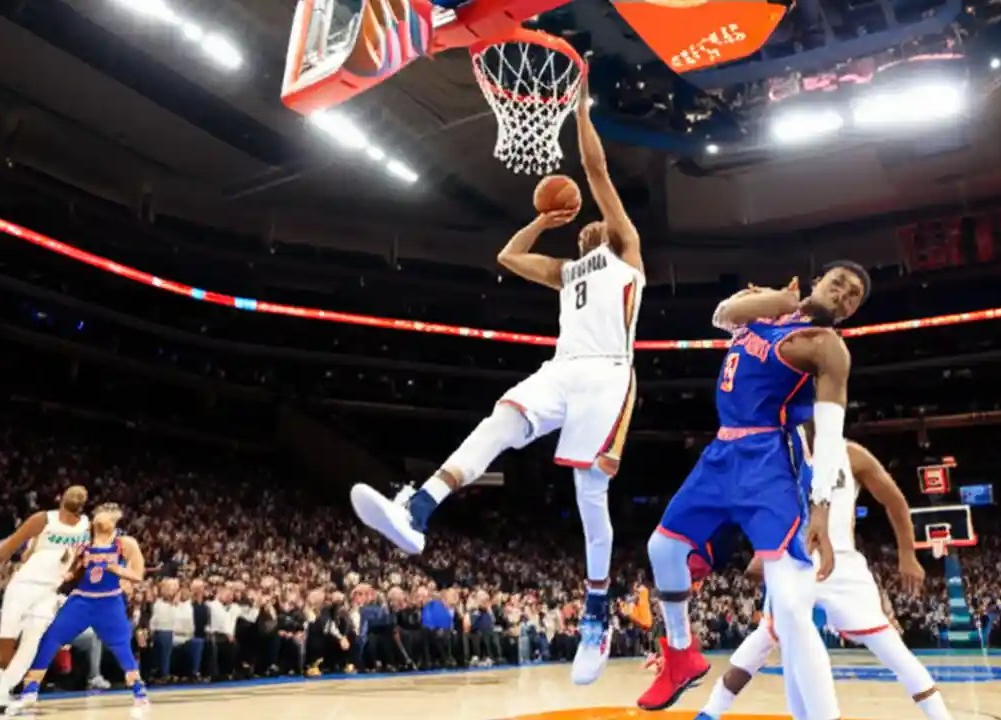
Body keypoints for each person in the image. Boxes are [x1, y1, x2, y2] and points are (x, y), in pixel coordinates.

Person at [350, 73, 644, 685]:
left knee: (591, 494)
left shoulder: (626, 252)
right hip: (563, 369)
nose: (590, 225)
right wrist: (543, 219)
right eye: (583, 225)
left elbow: (596, 174)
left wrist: (581, 110)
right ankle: (419, 507)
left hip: (609, 377)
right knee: (501, 420)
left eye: (592, 223)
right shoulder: (568, 272)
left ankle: (597, 611)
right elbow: (509, 258)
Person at [639, 265, 869, 719]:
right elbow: (723, 315)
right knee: (662, 547)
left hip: (769, 460)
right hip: (723, 449)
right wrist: (781, 301)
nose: (843, 295)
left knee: (789, 606)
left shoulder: (828, 347)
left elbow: (828, 434)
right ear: (819, 279)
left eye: (854, 297)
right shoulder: (770, 314)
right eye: (839, 283)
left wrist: (820, 511)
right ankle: (681, 654)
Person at [694, 440, 954, 720]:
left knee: (892, 648)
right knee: (764, 640)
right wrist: (765, 548)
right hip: (794, 560)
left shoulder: (851, 454)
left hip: (842, 565)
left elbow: (894, 499)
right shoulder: (778, 455)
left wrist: (907, 553)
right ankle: (710, 713)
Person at [0, 485, 90, 713]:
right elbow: (2, 555)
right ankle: (1, 690)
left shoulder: (74, 523)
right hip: (28, 587)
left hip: (44, 591)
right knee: (17, 645)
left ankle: (0, 692)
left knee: (23, 644)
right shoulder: (55, 521)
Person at [5, 503, 149, 719]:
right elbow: (67, 566)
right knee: (52, 637)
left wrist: (116, 569)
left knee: (121, 644)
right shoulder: (81, 540)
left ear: (116, 520)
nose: (104, 519)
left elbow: (138, 575)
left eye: (109, 516)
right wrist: (64, 572)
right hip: (81, 599)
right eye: (101, 515)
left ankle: (138, 688)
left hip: (109, 601)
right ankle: (30, 689)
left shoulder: (125, 543)